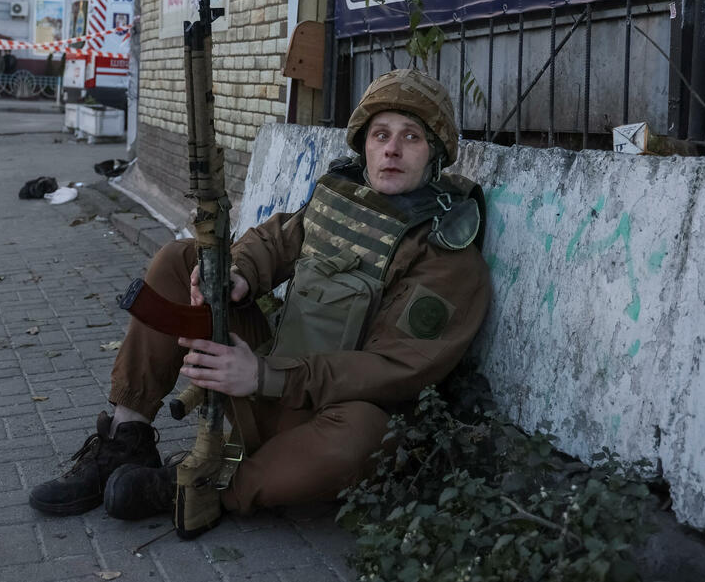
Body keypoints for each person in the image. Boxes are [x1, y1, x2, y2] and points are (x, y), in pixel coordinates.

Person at [28, 69, 492, 533]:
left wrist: (264, 375)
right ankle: (124, 439)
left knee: (365, 435)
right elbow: (275, 241)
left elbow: (392, 370)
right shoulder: (343, 201)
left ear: (435, 154)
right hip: (260, 387)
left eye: (410, 137)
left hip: (324, 420)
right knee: (184, 260)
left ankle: (209, 487)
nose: (392, 149)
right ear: (364, 146)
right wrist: (238, 274)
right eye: (381, 135)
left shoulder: (447, 258)